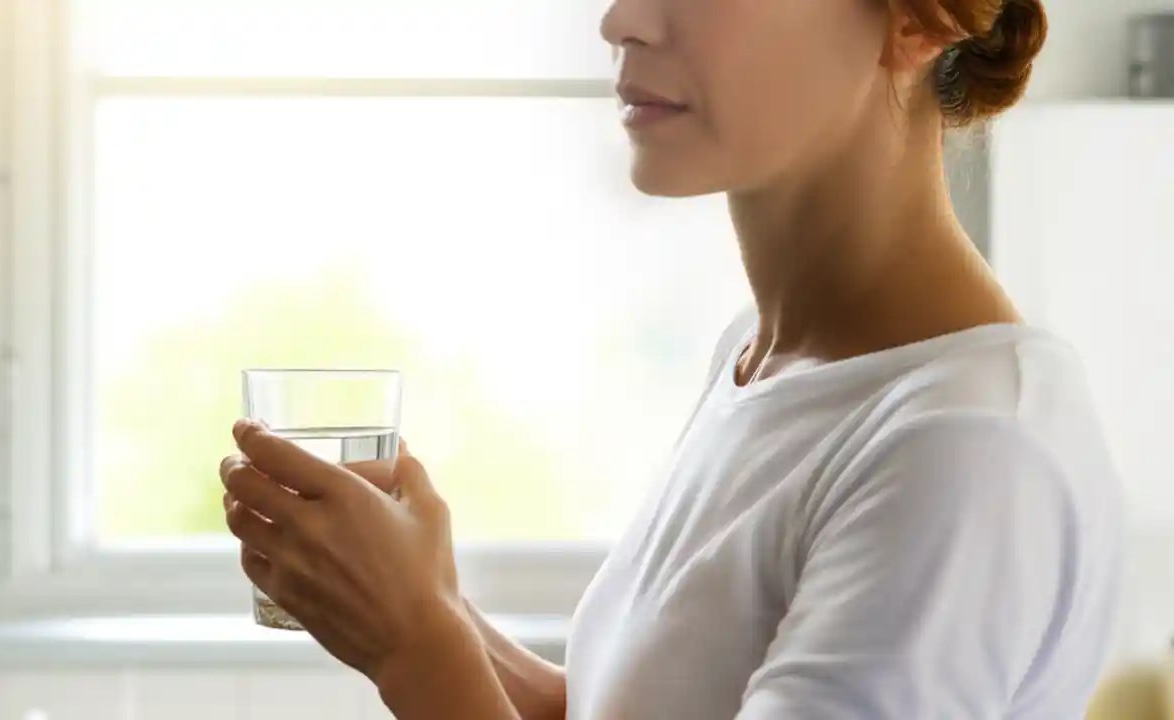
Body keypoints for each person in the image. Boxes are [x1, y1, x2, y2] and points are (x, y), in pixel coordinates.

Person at [219, 0, 1122, 716]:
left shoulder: (965, 450)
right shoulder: (763, 357)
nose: (623, 19)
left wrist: (413, 644)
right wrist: (436, 605)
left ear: (915, 20)